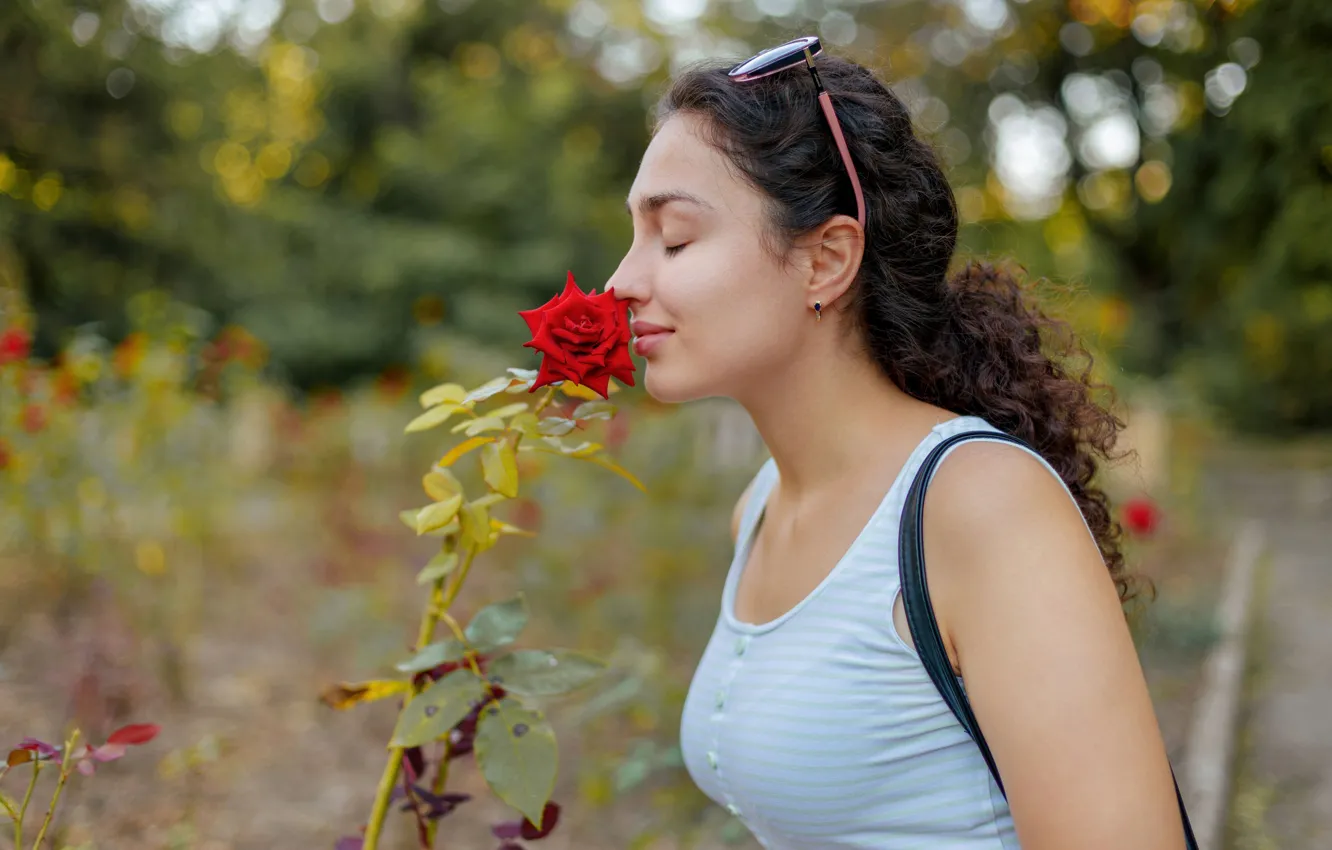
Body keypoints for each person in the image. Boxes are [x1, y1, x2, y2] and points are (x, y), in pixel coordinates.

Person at [605, 37, 1187, 850]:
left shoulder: (983, 505)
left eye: (673, 238)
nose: (620, 283)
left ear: (826, 260)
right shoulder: (760, 507)